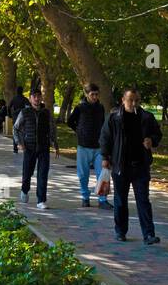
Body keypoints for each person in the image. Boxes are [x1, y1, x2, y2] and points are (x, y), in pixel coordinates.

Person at [99, 88, 163, 245]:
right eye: (130, 100)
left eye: (137, 100)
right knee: (120, 200)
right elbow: (105, 138)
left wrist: (151, 141)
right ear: (123, 100)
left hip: (140, 165)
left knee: (143, 200)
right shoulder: (114, 117)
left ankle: (148, 234)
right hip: (121, 165)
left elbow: (157, 134)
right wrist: (105, 157)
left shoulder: (147, 117)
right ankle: (120, 231)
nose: (134, 103)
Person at [13, 87, 59, 209]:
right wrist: (20, 143)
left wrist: (55, 143)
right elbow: (16, 128)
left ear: (41, 98)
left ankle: (41, 200)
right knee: (27, 173)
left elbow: (52, 128)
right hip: (29, 147)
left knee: (43, 174)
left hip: (44, 147)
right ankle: (24, 190)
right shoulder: (24, 112)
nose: (37, 98)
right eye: (34, 96)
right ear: (30, 98)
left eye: (39, 96)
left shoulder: (46, 113)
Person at [68, 83, 107, 208]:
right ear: (86, 94)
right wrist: (79, 131)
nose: (95, 97)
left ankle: (102, 199)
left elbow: (102, 124)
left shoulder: (100, 107)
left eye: (96, 94)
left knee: (102, 174)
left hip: (98, 147)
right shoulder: (80, 107)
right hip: (83, 146)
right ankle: (85, 197)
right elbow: (70, 121)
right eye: (92, 94)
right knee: (83, 174)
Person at [8, 87, 26, 152]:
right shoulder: (24, 99)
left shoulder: (14, 99)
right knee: (23, 131)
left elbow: (9, 107)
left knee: (15, 130)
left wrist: (9, 114)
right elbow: (29, 105)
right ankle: (23, 145)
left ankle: (15, 147)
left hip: (15, 116)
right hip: (23, 115)